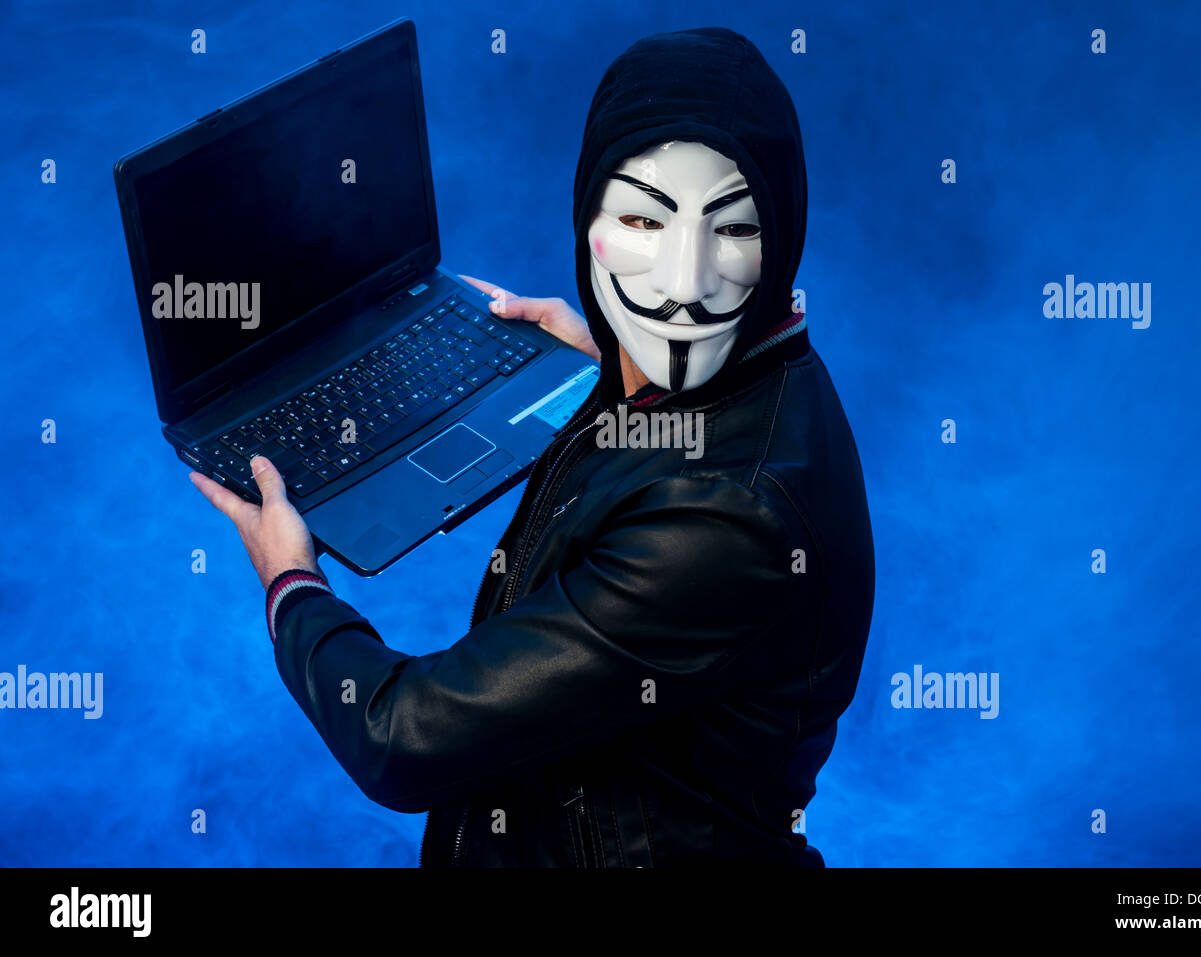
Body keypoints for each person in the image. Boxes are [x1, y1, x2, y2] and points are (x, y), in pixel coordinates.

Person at [189, 25, 874, 867]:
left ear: (784, 236)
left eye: (731, 230)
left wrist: (291, 582)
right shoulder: (757, 374)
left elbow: (402, 736)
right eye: (641, 220)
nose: (686, 285)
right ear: (588, 222)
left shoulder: (730, 525)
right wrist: (611, 374)